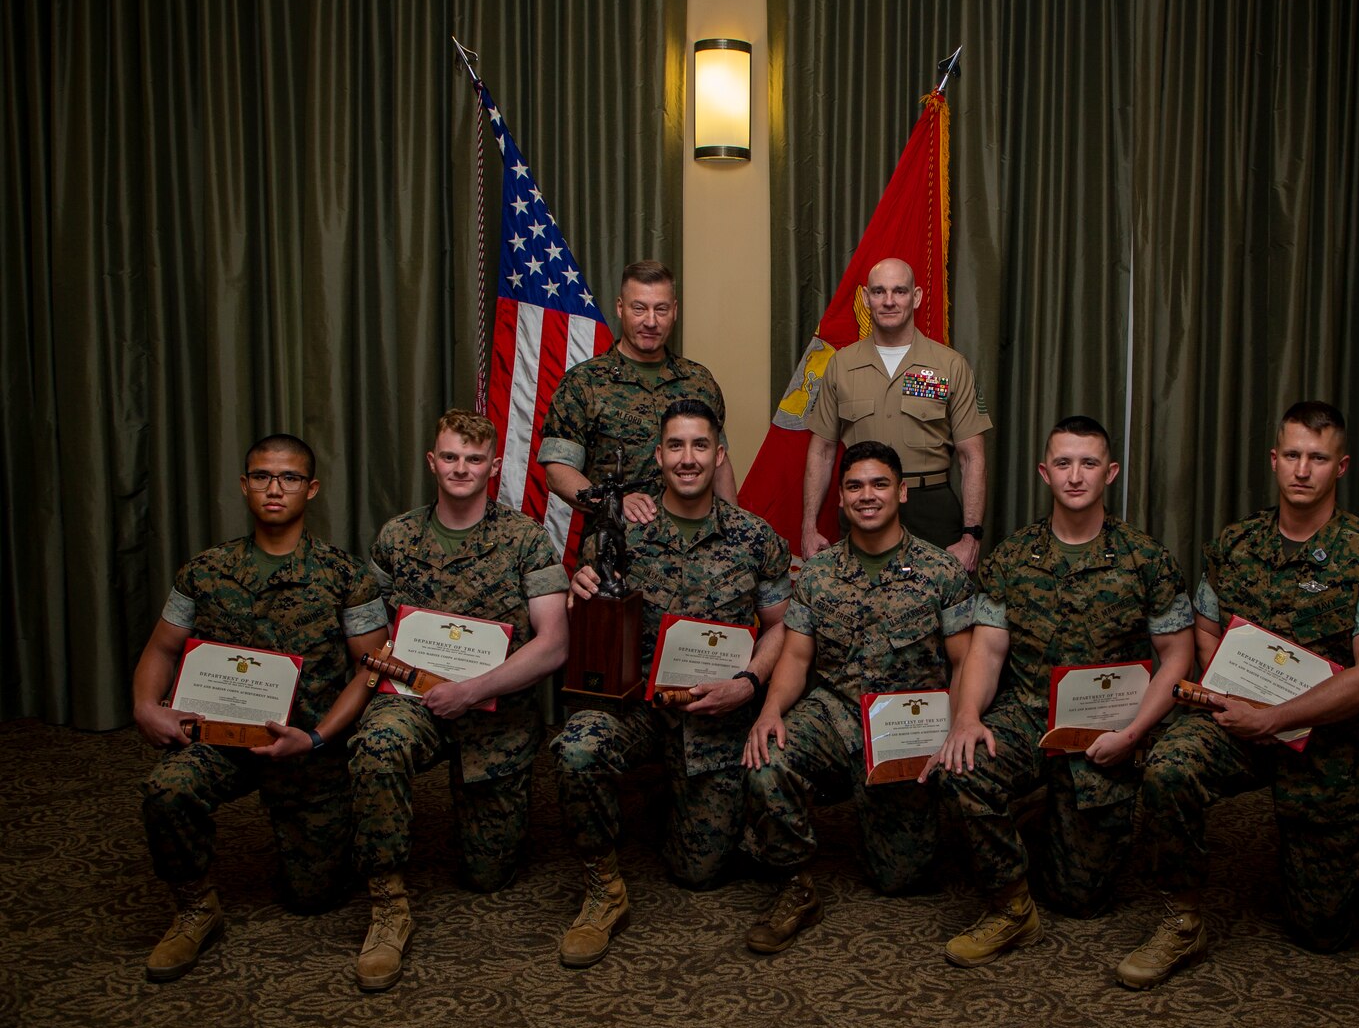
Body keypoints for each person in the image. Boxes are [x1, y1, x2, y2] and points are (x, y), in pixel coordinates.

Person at [1118, 401, 1359, 989]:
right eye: (1294, 455)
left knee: (1324, 932)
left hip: (1327, 737)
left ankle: (1338, 859)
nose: (1304, 470)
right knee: (1168, 767)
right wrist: (1228, 692)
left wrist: (1275, 716)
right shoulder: (1235, 544)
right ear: (1275, 461)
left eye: (1319, 458)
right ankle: (1182, 918)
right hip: (1237, 720)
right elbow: (1205, 624)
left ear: (1342, 467)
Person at [924, 416, 1195, 967]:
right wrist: (968, 716)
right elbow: (988, 650)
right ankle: (1012, 907)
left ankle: (1049, 816)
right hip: (1028, 716)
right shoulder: (1012, 557)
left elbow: (1178, 657)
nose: (1076, 476)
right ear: (1046, 472)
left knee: (1081, 900)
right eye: (1064, 464)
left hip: (1106, 727)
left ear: (1110, 473)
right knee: (963, 765)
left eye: (1089, 464)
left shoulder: (1146, 559)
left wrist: (1135, 733)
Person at [133, 434, 390, 982]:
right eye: (262, 476)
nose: (275, 488)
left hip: (305, 750)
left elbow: (372, 670)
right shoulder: (204, 571)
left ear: (312, 488)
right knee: (166, 788)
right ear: (245, 485)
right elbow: (161, 647)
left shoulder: (346, 576)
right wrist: (145, 706)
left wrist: (318, 738)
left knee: (313, 897)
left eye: (290, 478)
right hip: (219, 738)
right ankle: (195, 910)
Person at [550, 399, 791, 968]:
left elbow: (782, 628)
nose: (688, 459)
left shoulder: (754, 537)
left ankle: (678, 802)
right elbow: (587, 614)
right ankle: (603, 889)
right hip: (638, 705)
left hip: (715, 711)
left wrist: (749, 682)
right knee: (577, 748)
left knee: (697, 874)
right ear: (658, 456)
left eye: (700, 446)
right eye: (676, 447)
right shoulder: (619, 534)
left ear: (718, 455)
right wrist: (581, 586)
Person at [345, 409, 569, 991]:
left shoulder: (525, 538)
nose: (461, 468)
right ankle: (388, 904)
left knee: (487, 875)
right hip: (412, 700)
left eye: (473, 459)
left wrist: (472, 689)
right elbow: (369, 638)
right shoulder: (396, 537)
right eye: (450, 457)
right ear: (432, 462)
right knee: (376, 744)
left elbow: (553, 645)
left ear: (494, 466)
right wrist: (404, 676)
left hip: (495, 710)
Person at [742, 441, 975, 953]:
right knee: (766, 759)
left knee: (900, 878)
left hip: (906, 726)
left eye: (879, 484)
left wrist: (957, 727)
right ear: (841, 499)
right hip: (836, 712)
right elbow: (797, 660)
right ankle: (796, 886)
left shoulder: (941, 572)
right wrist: (770, 711)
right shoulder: (819, 574)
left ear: (902, 491)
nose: (866, 496)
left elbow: (965, 663)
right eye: (854, 486)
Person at [800, 258, 992, 570]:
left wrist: (971, 535)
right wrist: (808, 527)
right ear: (865, 298)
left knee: (941, 611)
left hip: (930, 507)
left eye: (899, 292)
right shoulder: (841, 365)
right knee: (862, 605)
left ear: (915, 297)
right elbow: (821, 450)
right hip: (864, 506)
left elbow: (973, 457)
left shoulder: (950, 366)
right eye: (879, 292)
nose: (889, 301)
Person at [539, 259, 736, 524]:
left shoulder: (699, 382)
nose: (651, 321)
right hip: (616, 546)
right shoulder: (583, 383)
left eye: (661, 309)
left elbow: (719, 463)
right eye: (639, 309)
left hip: (694, 547)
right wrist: (610, 502)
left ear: (675, 311)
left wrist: (733, 529)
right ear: (621, 308)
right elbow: (557, 470)